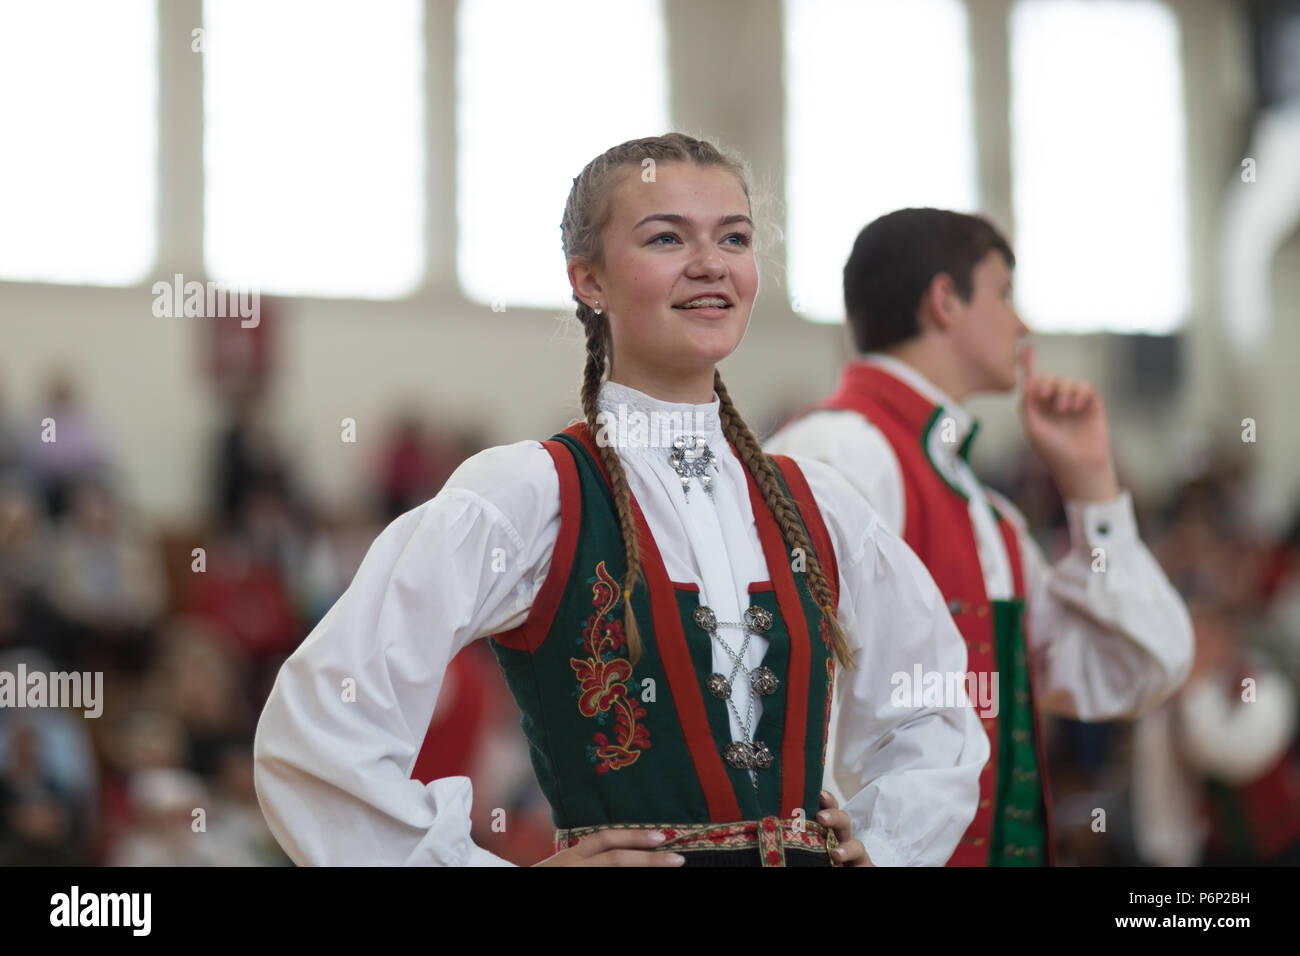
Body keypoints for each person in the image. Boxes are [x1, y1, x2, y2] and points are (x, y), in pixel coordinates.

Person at [253, 137, 989, 867]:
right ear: (589, 281)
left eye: (733, 237)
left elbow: (931, 704)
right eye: (667, 237)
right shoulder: (529, 494)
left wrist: (888, 844)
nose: (710, 262)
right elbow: (319, 731)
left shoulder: (816, 504)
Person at [766, 207, 1194, 866]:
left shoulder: (987, 512)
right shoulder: (834, 452)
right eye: (1003, 292)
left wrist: (1093, 490)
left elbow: (1137, 668)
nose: (1022, 324)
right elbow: (774, 700)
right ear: (945, 301)